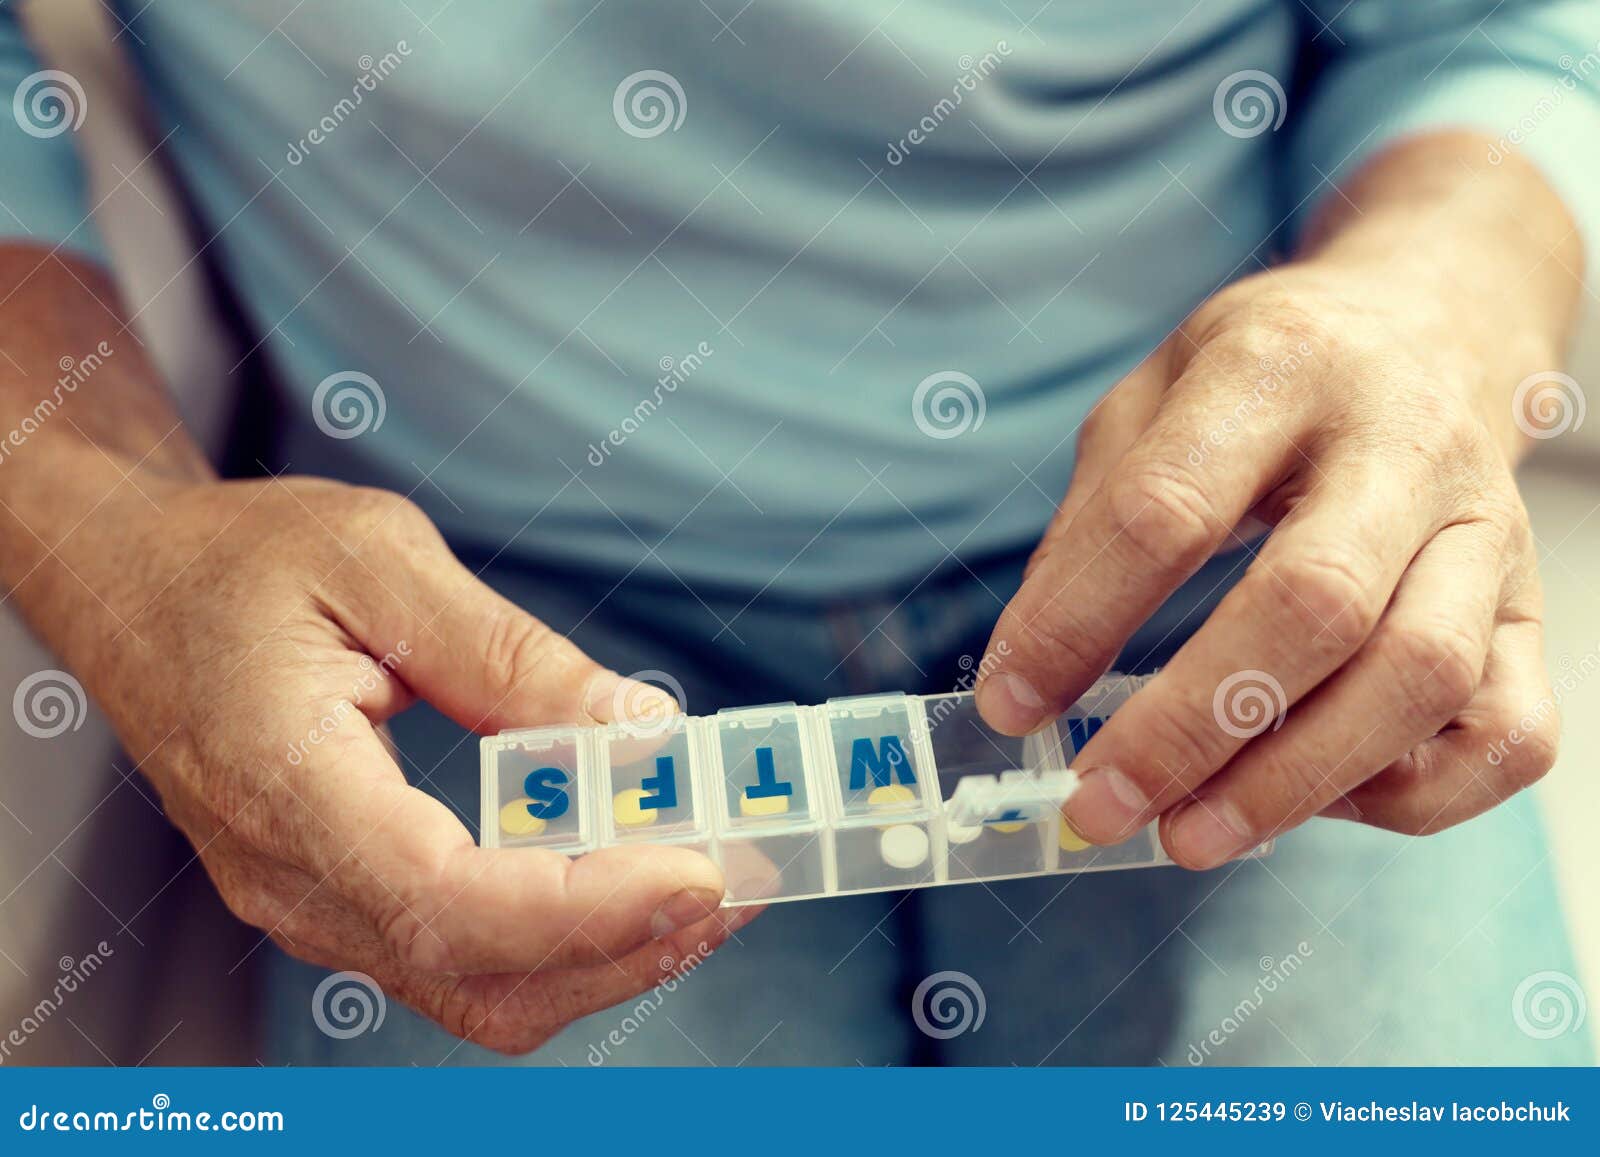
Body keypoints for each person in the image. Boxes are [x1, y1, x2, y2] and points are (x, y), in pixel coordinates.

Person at [1, 2, 1595, 1066]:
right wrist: (101, 515)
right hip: (466, 606)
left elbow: (1483, 26)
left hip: (1224, 544)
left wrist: (1434, 307)